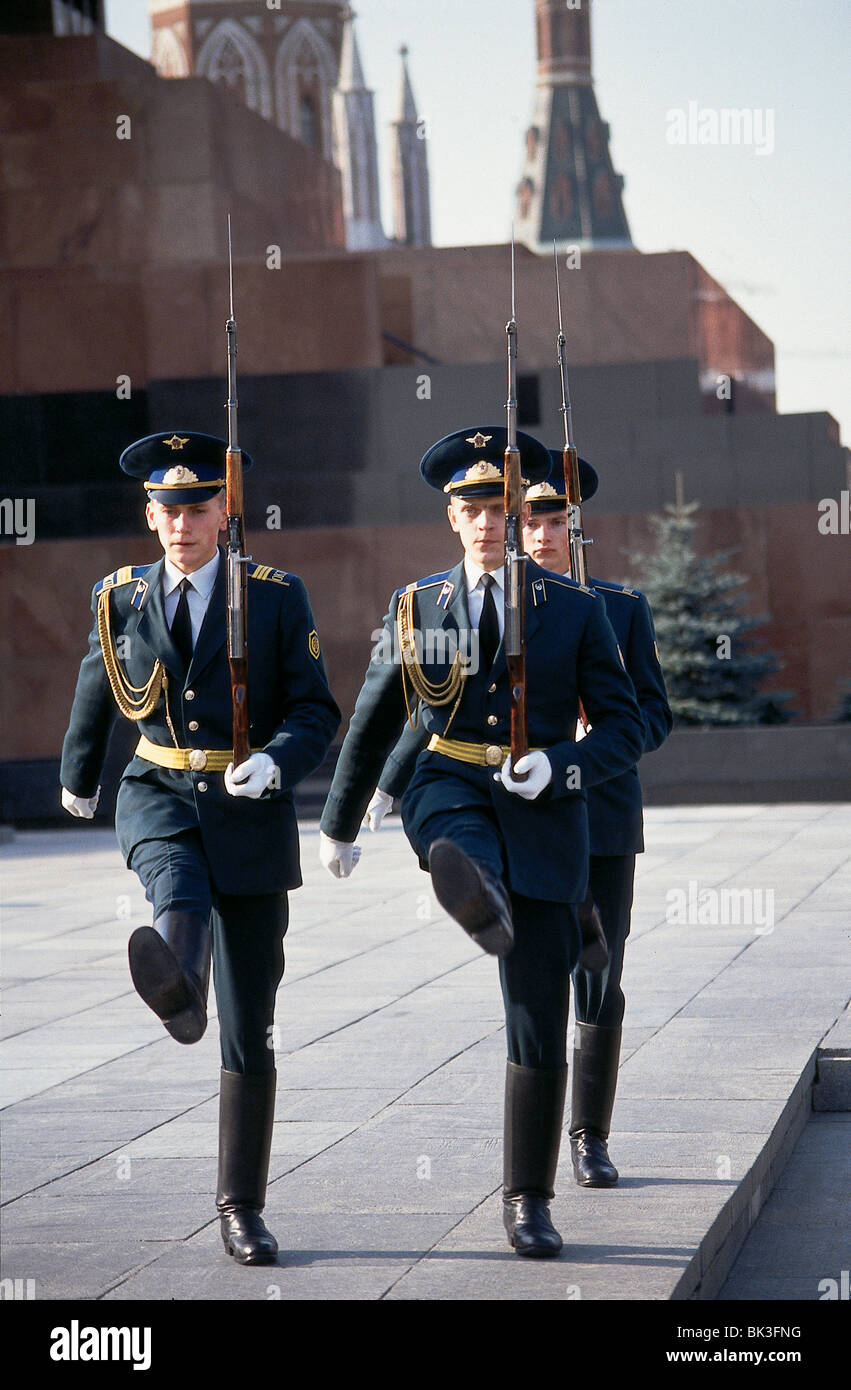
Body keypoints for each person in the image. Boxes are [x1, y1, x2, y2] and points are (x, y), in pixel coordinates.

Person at [318, 426, 644, 1257]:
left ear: (515, 509)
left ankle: (527, 1199)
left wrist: (562, 767)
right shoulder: (419, 604)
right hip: (450, 779)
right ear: (451, 516)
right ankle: (473, 888)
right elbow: (377, 712)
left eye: (500, 504)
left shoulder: (573, 609)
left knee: (535, 1016)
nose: (490, 521)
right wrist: (342, 818)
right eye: (473, 506)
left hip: (541, 805)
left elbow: (626, 725)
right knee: (454, 838)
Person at [60, 431, 340, 1264]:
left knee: (251, 1024)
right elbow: (95, 684)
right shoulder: (119, 597)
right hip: (159, 792)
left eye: (198, 508)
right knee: (174, 887)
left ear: (224, 513)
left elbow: (316, 710)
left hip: (248, 807)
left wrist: (278, 764)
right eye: (167, 510)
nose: (181, 524)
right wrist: (79, 775)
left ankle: (240, 1207)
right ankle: (178, 980)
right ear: (149, 517)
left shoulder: (276, 598)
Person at [523, 456, 672, 1187]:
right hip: (527, 819)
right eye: (530, 520)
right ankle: (532, 1146)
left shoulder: (619, 607)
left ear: (576, 524)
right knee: (537, 974)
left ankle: (588, 1135)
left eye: (556, 520)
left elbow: (652, 717)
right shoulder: (502, 609)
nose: (543, 535)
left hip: (605, 816)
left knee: (600, 972)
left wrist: (594, 746)